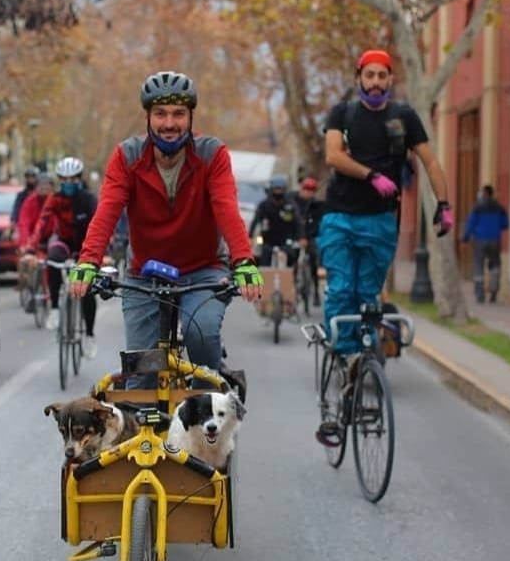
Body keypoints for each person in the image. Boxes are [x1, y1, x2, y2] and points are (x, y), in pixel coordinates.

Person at [68, 70, 263, 387]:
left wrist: (243, 261)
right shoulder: (127, 155)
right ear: (148, 117)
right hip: (145, 274)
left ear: (190, 116)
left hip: (203, 271)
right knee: (141, 380)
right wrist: (89, 261)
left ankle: (212, 404)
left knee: (202, 340)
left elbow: (226, 207)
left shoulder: (212, 154)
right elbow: (107, 210)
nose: (169, 123)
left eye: (178, 114)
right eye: (160, 114)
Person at [318, 49, 452, 427]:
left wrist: (444, 204)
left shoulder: (404, 117)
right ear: (359, 76)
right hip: (340, 218)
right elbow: (332, 155)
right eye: (370, 75)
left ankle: (362, 359)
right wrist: (371, 176)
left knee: (367, 297)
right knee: (342, 290)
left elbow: (431, 162)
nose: (376, 82)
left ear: (391, 80)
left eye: (383, 75)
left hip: (380, 223)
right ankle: (344, 361)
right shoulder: (341, 114)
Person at [26, 156, 100, 358]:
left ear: (79, 178)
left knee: (87, 290)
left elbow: (101, 227)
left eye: (73, 178)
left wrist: (105, 254)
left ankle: (90, 335)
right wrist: (31, 249)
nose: (68, 183)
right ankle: (55, 309)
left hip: (87, 245)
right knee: (52, 259)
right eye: (64, 179)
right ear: (59, 180)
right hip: (64, 242)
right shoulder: (55, 198)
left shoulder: (89, 199)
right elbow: (43, 222)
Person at [462, 184, 509, 303]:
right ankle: (494, 291)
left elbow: (470, 224)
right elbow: (505, 224)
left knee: (478, 266)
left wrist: (465, 238)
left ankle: (480, 294)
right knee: (495, 266)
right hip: (495, 240)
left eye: (482, 192)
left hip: (480, 240)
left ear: (485, 193)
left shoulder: (477, 208)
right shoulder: (499, 208)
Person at [16, 172, 54, 311]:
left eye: (47, 185)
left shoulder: (56, 201)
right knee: (31, 264)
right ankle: (32, 291)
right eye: (40, 185)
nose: (43, 188)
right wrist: (24, 244)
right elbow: (24, 224)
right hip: (34, 240)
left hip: (52, 239)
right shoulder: (29, 202)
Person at [249, 174, 307, 267]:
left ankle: (291, 278)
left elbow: (298, 222)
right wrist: (250, 237)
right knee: (261, 257)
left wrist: (302, 237)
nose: (278, 192)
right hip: (267, 239)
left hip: (286, 239)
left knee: (292, 256)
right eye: (276, 189)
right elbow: (255, 221)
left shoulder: (290, 206)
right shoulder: (264, 205)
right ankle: (264, 278)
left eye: (280, 189)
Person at [294, 176, 328, 306]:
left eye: (312, 190)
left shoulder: (317, 205)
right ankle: (293, 288)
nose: (308, 192)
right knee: (292, 259)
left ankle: (314, 291)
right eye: (306, 189)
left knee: (314, 258)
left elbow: (319, 222)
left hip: (309, 236)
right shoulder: (293, 200)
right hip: (296, 236)